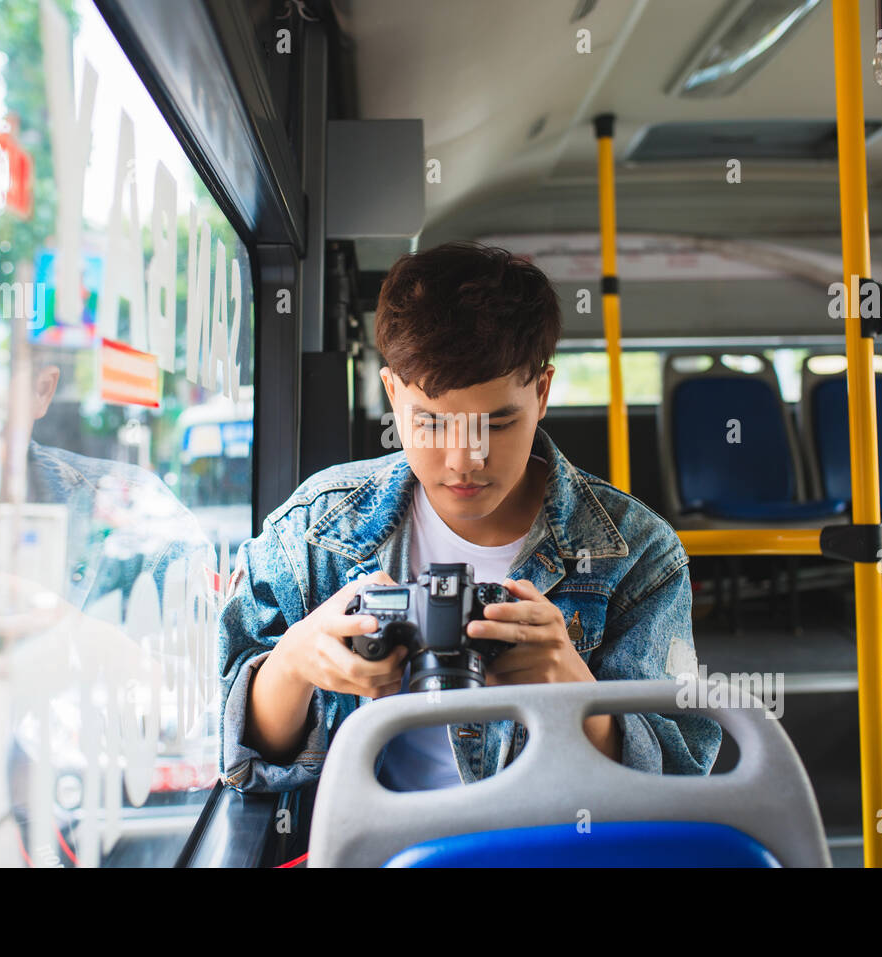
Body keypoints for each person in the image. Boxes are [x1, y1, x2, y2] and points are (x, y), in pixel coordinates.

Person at [218, 241, 721, 796]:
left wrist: (581, 701)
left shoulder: (637, 555)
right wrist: (292, 665)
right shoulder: (315, 533)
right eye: (431, 424)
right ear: (392, 393)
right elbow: (244, 762)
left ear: (544, 391)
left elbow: (678, 782)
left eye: (498, 424)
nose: (464, 460)